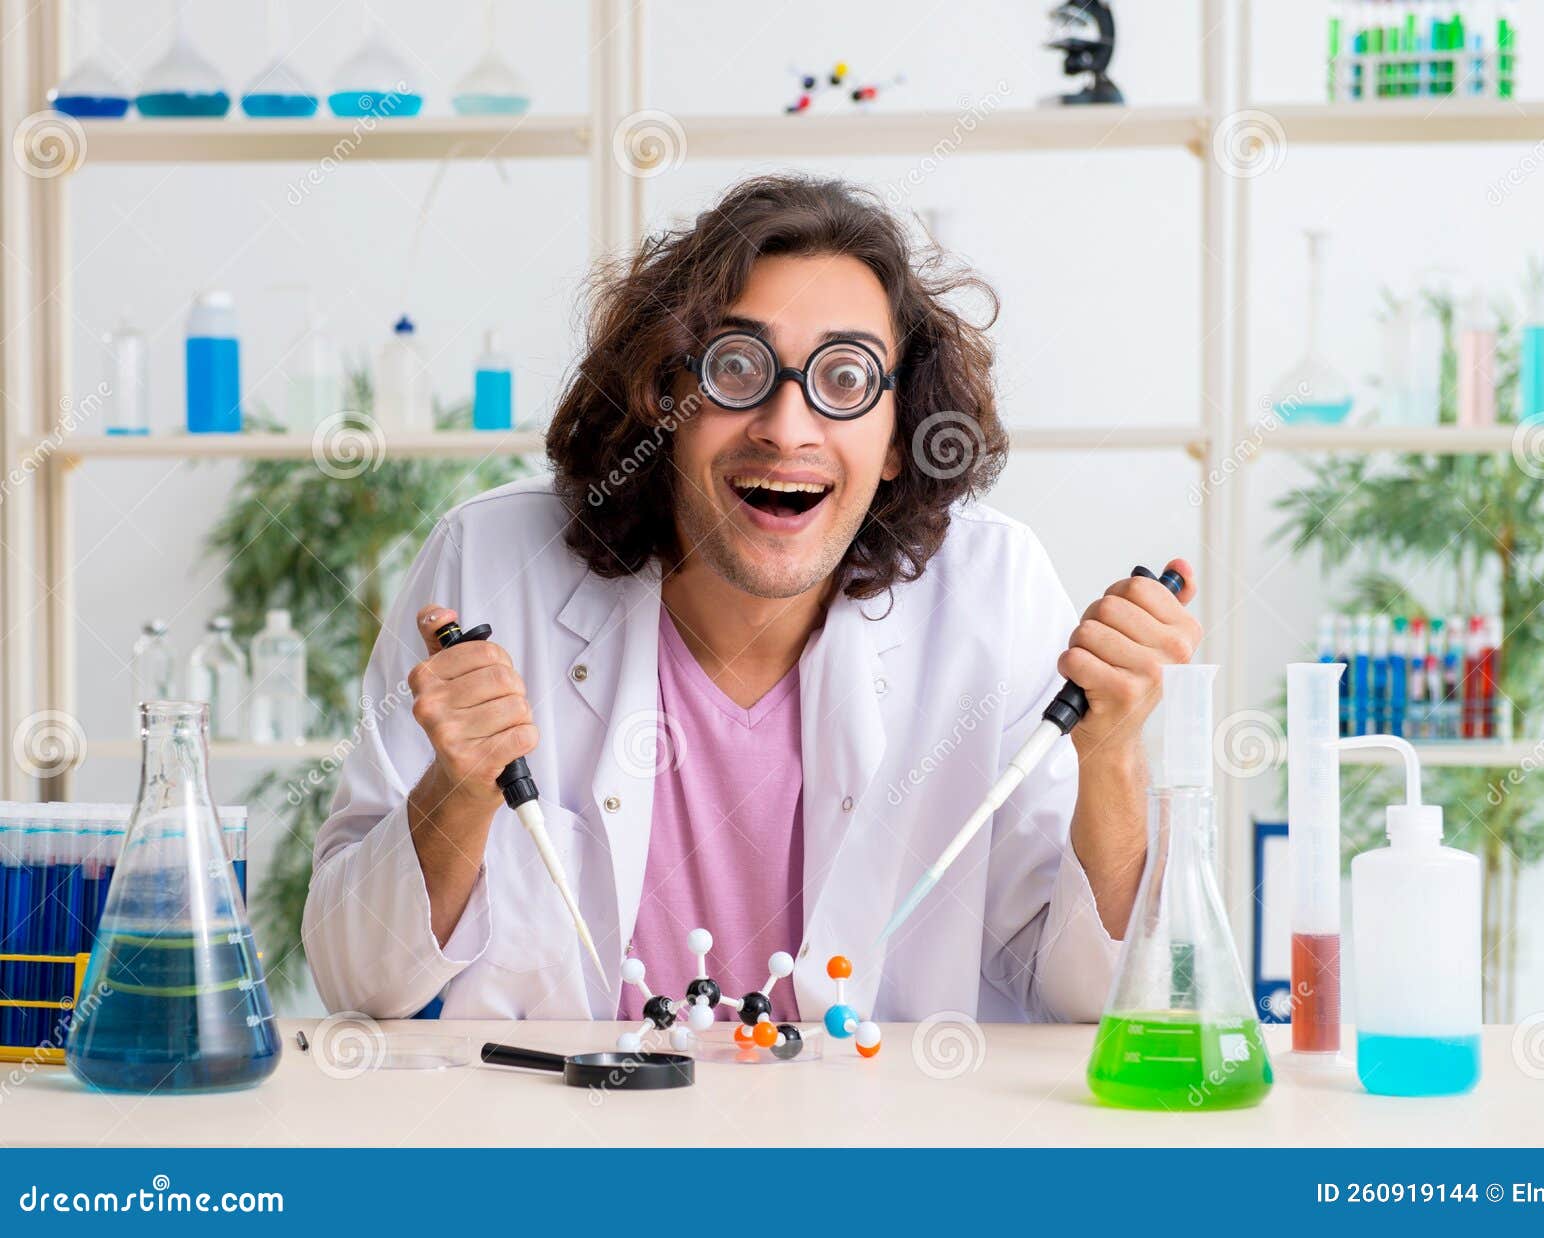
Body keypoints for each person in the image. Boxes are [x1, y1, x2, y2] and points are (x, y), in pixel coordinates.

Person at [303, 173, 1201, 1025]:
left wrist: (1113, 753)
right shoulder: (492, 563)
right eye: (737, 369)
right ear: (668, 396)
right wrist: (459, 792)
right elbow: (356, 979)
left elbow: (1108, 997)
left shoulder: (993, 593)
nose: (787, 427)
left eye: (845, 379)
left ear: (898, 435)